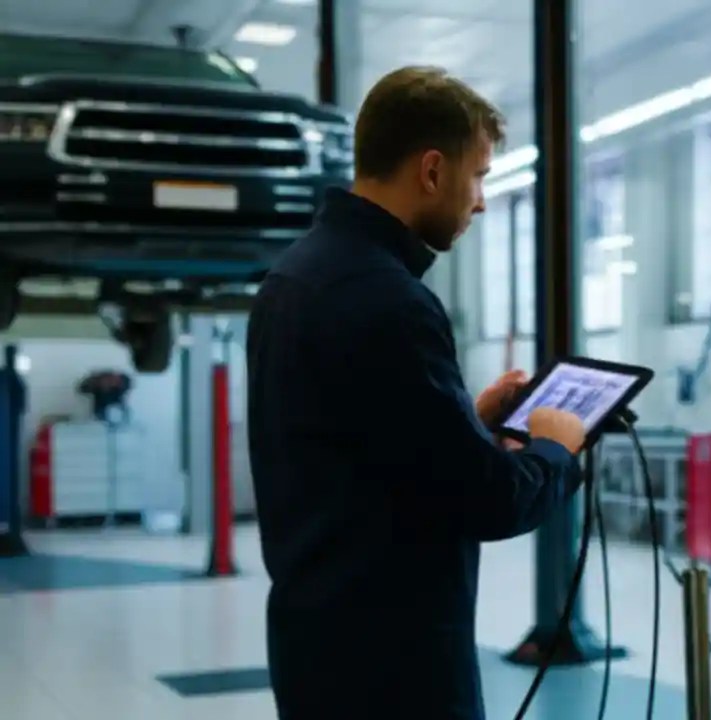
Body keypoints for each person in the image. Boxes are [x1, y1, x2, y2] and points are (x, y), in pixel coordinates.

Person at [246, 66, 586, 720]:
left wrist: (468, 416)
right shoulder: (390, 300)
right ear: (432, 171)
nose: (481, 200)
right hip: (398, 672)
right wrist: (556, 450)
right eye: (480, 175)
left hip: (316, 651)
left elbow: (361, 445)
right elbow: (485, 501)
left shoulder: (292, 277)